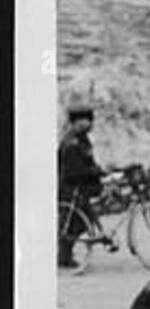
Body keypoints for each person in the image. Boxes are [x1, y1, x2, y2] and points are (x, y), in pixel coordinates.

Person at [58, 106, 103, 268]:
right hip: (71, 186)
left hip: (80, 185)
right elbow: (74, 169)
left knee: (80, 221)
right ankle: (63, 255)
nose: (90, 123)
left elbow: (88, 160)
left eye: (90, 120)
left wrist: (97, 170)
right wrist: (95, 172)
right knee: (75, 222)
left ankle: (64, 255)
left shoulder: (82, 138)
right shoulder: (71, 142)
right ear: (76, 122)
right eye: (86, 120)